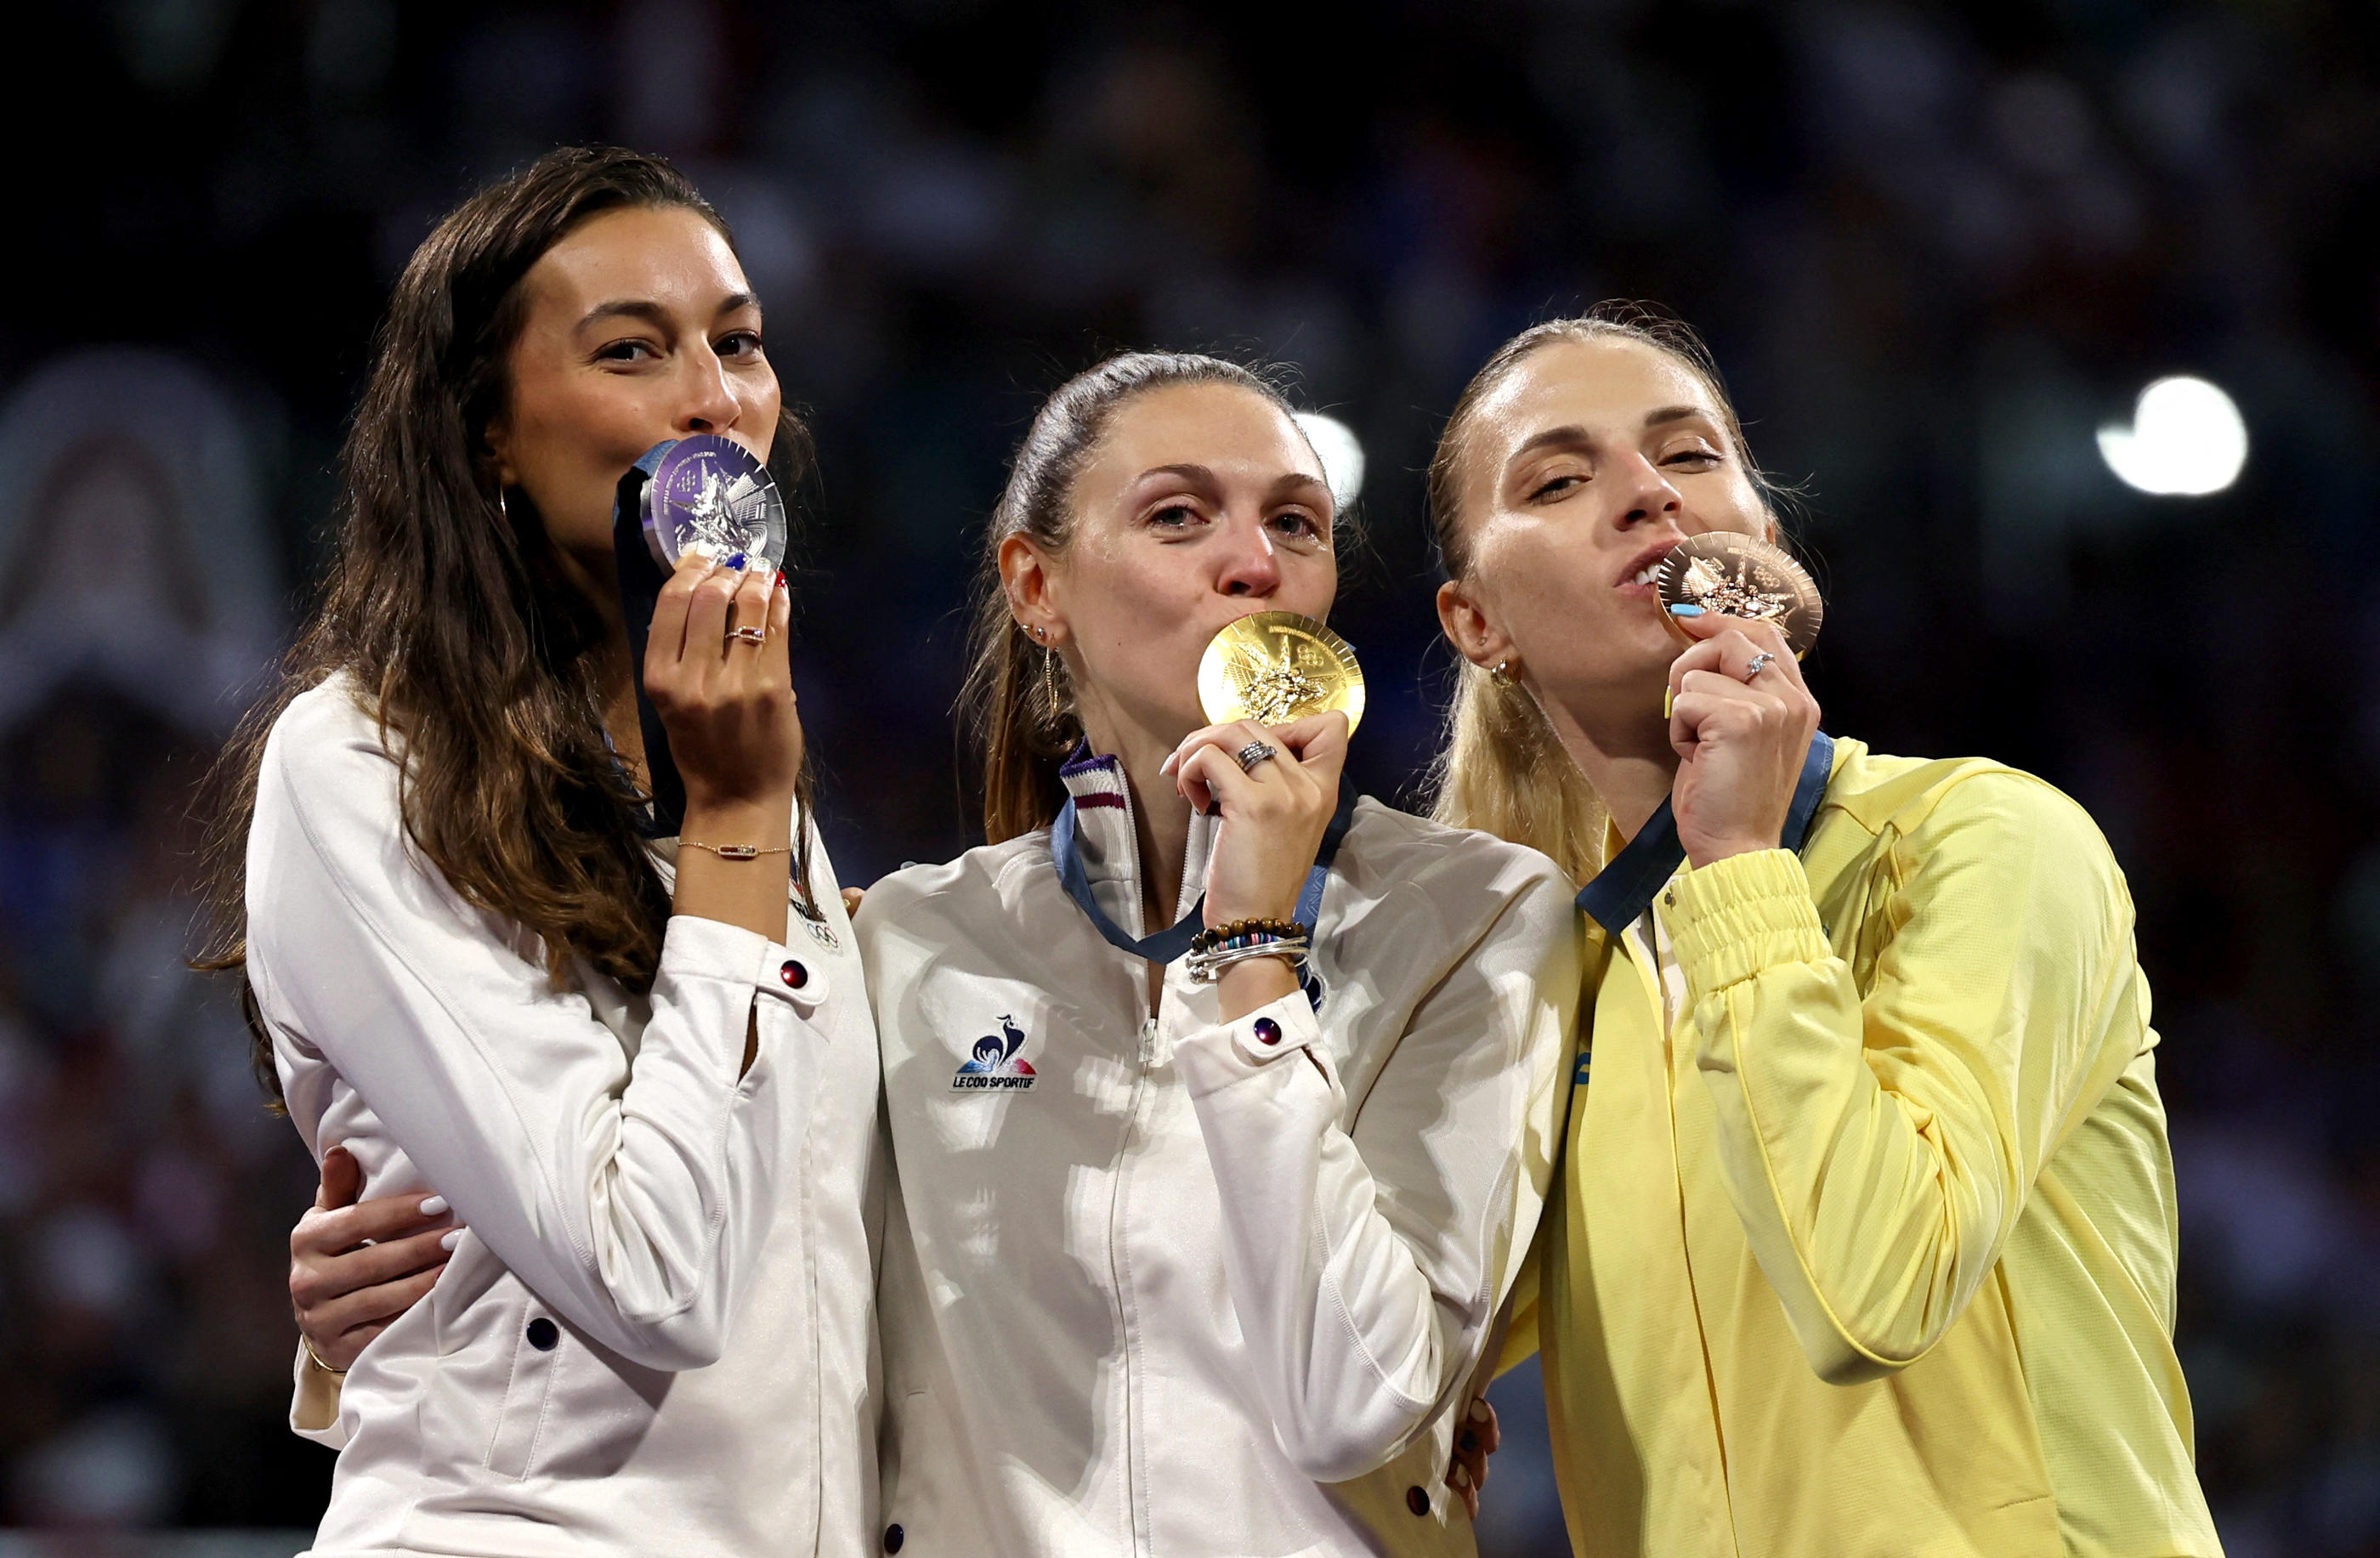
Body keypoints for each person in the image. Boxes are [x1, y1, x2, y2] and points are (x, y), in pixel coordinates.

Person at [1428, 309, 2221, 1557]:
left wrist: (1738, 862)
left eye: (1687, 457)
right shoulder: (1555, 989)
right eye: (1561, 478)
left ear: (1763, 542)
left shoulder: (1988, 841)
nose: (1646, 495)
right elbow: (1374, 1367)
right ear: (1478, 624)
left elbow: (1876, 1289)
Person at [197, 146, 881, 1558]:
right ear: (487, 432)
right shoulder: (364, 761)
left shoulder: (737, 773)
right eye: (633, 351)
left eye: (739, 344)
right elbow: (652, 1275)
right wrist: (741, 829)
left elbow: (794, 1237)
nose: (713, 396)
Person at [858, 350, 1578, 1556]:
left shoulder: (1474, 916)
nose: (1257, 562)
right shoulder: (912, 944)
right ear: (1039, 587)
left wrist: (1252, 946)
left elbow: (1357, 1403)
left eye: (1296, 523)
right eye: (1179, 516)